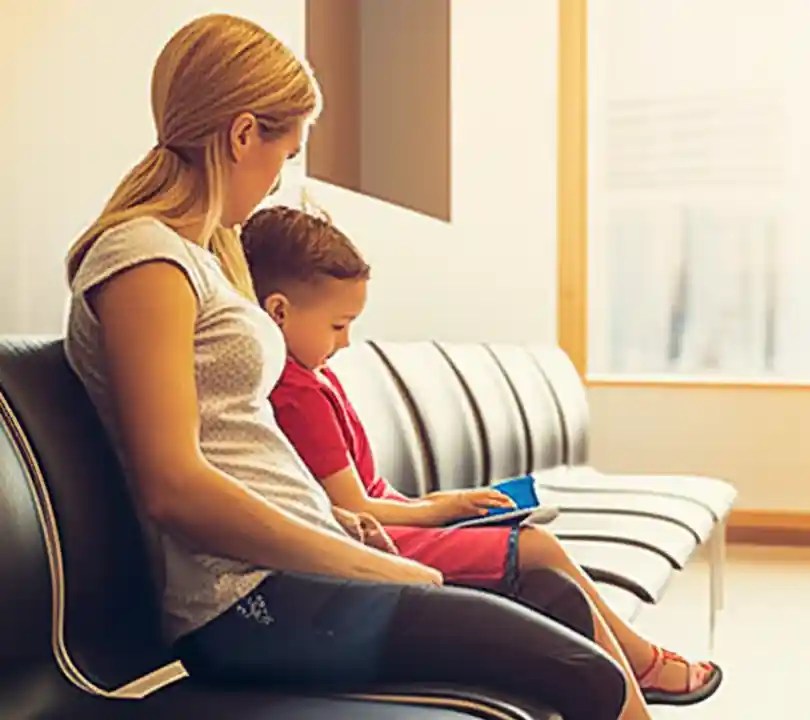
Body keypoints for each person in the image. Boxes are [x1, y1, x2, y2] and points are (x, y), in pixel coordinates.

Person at [62, 13, 644, 719]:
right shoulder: (142, 260)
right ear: (243, 135)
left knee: (555, 597)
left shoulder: (203, 257)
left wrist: (334, 521)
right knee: (586, 674)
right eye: (286, 153)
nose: (278, 181)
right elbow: (174, 486)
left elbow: (235, 443)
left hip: (297, 576)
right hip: (247, 604)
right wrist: (365, 562)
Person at [239, 203, 723, 707]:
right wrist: (441, 509)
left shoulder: (315, 377)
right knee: (537, 548)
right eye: (338, 325)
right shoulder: (297, 394)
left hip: (390, 524)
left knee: (542, 568)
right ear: (279, 312)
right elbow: (355, 508)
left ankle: (632, 670)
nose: (346, 341)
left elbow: (370, 490)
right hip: (372, 544)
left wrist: (443, 504)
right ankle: (640, 664)